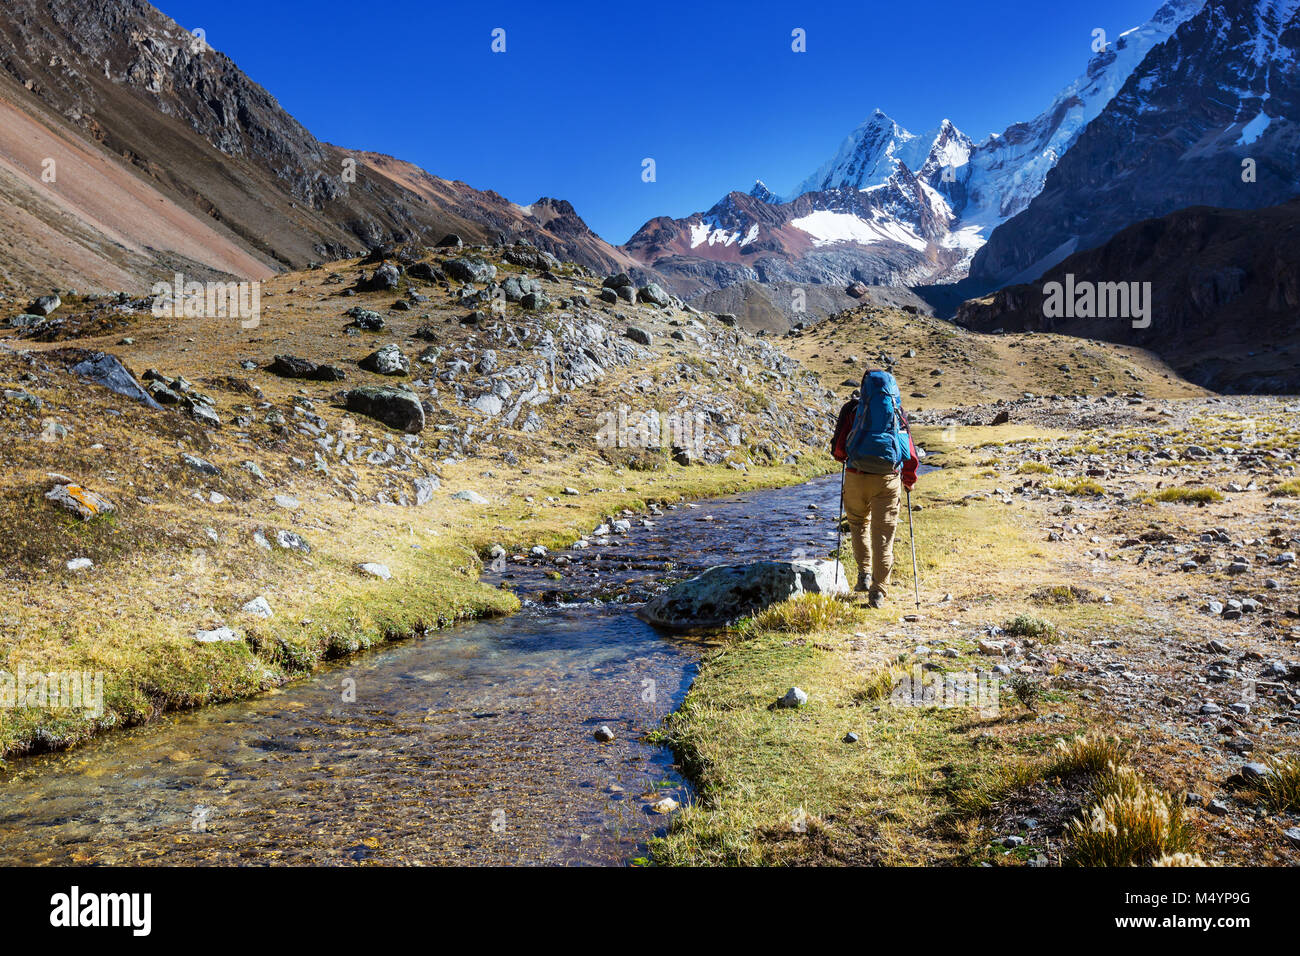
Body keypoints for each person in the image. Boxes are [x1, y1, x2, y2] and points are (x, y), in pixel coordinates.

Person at [831, 370, 920, 608]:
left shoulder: (852, 411)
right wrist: (908, 480)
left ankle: (864, 575)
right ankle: (878, 592)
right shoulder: (897, 413)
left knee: (859, 524)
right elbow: (909, 453)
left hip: (855, 476)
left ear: (864, 388)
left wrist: (849, 458)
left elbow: (839, 451)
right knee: (883, 537)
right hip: (887, 479)